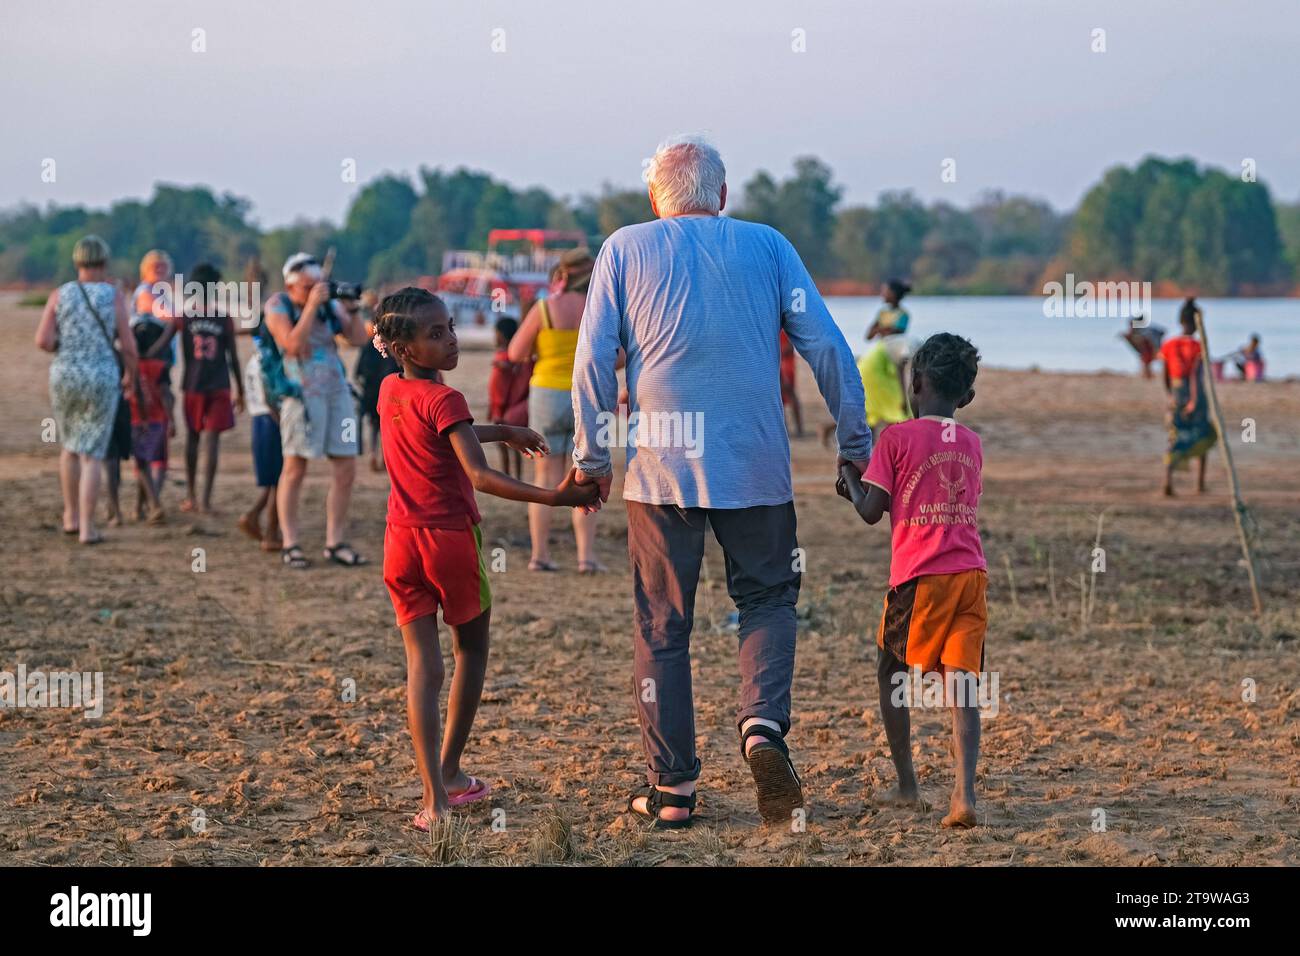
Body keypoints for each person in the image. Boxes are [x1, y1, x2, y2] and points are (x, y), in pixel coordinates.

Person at [571, 135, 872, 827]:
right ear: (723, 197)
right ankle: (762, 727)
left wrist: (591, 457)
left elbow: (592, 358)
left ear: (657, 200)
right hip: (757, 463)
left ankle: (672, 791)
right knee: (766, 599)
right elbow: (826, 344)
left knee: (662, 626)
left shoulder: (625, 247)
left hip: (659, 468)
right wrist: (854, 443)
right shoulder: (767, 245)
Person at [370, 288, 598, 828]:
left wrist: (501, 430)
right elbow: (477, 474)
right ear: (404, 347)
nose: (450, 339)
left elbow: (438, 438)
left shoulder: (388, 390)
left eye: (450, 327)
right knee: (471, 651)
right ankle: (449, 771)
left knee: (422, 669)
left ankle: (434, 801)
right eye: (435, 334)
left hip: (399, 542)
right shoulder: (445, 399)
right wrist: (555, 497)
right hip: (448, 541)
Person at [837, 333, 987, 829]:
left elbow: (870, 512)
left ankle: (908, 785)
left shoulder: (896, 438)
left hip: (919, 576)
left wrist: (849, 481)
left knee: (891, 671)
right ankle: (963, 795)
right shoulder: (972, 444)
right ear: (965, 397)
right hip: (970, 574)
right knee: (963, 684)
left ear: (916, 383)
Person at [263, 252, 370, 569]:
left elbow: (359, 339)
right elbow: (291, 345)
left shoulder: (328, 305)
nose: (314, 291)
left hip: (337, 392)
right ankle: (290, 543)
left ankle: (335, 541)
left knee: (346, 467)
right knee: (295, 467)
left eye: (317, 286)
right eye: (307, 286)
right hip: (300, 394)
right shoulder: (277, 305)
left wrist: (351, 309)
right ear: (290, 284)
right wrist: (311, 306)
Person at [34, 235, 139, 545]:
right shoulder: (113, 295)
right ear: (104, 263)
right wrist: (131, 375)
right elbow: (128, 344)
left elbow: (43, 340)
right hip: (101, 375)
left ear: (77, 263)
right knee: (92, 454)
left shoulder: (60, 294)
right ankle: (87, 528)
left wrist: (65, 347)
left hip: (65, 374)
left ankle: (70, 516)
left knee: (69, 448)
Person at [508, 247, 606, 573]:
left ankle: (539, 556)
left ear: (561, 274)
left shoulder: (545, 308)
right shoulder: (599, 309)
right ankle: (586, 558)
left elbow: (515, 352)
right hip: (587, 397)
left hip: (547, 394)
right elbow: (618, 355)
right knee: (585, 477)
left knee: (545, 476)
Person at [163, 263, 244, 514]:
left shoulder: (183, 318)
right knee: (212, 441)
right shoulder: (224, 319)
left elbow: (160, 346)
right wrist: (240, 390)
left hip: (193, 386)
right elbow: (233, 357)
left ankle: (191, 496)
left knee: (193, 439)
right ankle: (206, 500)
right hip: (220, 385)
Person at [1159, 299, 1217, 495]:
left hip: (1176, 392)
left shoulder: (1168, 344)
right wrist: (1193, 400)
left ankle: (1168, 481)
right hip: (1194, 395)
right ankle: (1199, 484)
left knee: (1176, 436)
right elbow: (1194, 375)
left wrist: (1170, 397)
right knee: (1202, 435)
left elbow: (1165, 375)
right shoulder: (1198, 346)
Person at [237, 340, 283, 551]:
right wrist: (282, 422)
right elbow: (269, 397)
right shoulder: (267, 359)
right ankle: (271, 533)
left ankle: (253, 517)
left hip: (259, 419)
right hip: (270, 421)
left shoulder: (255, 358)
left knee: (275, 482)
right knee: (278, 482)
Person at [127, 317, 171, 523]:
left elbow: (131, 391)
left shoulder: (131, 366)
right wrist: (172, 420)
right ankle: (149, 504)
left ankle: (147, 506)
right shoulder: (161, 366)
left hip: (136, 420)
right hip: (158, 421)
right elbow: (165, 394)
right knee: (158, 463)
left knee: (142, 465)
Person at [352, 290, 399, 473]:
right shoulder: (392, 347)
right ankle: (384, 456)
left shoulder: (369, 346)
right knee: (387, 427)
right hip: (388, 393)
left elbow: (358, 372)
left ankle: (372, 453)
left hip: (371, 392)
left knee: (373, 425)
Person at [487, 317, 531, 479]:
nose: (495, 337)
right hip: (505, 405)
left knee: (505, 444)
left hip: (505, 407)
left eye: (497, 333)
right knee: (511, 445)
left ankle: (509, 476)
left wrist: (495, 409)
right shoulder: (512, 355)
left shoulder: (507, 357)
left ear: (503, 335)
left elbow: (499, 387)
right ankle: (513, 476)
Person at [779, 330, 804, 437]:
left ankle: (799, 429)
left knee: (789, 394)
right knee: (779, 397)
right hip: (779, 364)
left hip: (786, 365)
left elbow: (790, 346)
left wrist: (773, 353)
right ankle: (785, 429)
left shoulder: (783, 326)